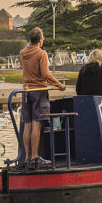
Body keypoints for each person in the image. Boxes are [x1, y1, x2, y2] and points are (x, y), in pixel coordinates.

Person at [19, 27, 65, 165]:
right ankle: (34, 156)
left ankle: (27, 157)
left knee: (27, 125)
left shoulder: (22, 52)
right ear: (40, 40)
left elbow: (24, 67)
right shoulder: (41, 53)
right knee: (36, 124)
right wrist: (59, 85)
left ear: (29, 40)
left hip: (26, 91)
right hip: (39, 90)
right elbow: (45, 74)